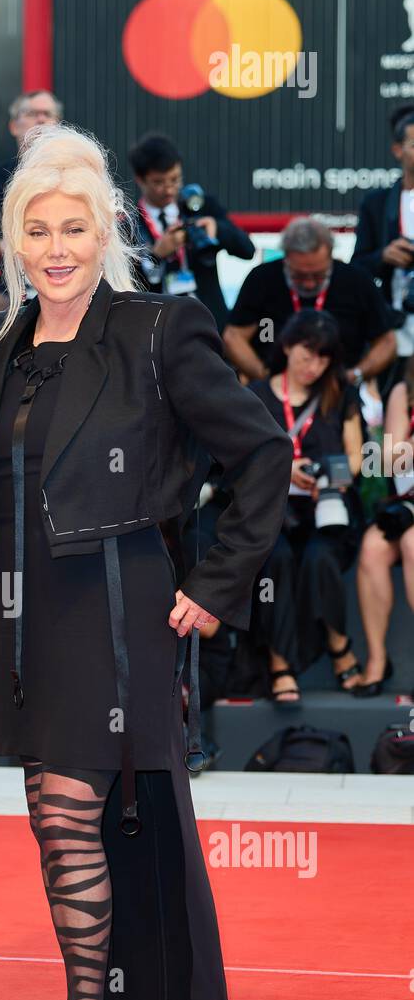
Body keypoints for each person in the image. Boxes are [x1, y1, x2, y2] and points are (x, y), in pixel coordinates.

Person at [0, 122, 292, 1000]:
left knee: (68, 822)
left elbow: (262, 448)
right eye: (36, 230)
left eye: (74, 228)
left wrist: (217, 583)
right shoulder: (2, 349)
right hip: (26, 625)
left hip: (116, 609)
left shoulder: (159, 328)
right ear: (13, 241)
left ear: (105, 234)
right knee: (69, 840)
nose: (55, 248)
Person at [247, 311, 366, 702]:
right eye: (306, 355)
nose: (313, 366)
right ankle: (279, 663)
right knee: (274, 559)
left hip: (327, 510)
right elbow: (240, 457)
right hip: (273, 515)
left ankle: (339, 645)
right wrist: (286, 469)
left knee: (320, 558)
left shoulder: (339, 393)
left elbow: (355, 456)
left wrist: (327, 478)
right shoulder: (258, 394)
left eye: (323, 358)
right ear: (286, 347)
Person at [224, 217, 396, 384]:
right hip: (277, 390)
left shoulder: (356, 280)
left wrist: (355, 375)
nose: (309, 283)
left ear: (331, 257)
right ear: (286, 259)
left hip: (338, 389)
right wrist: (263, 377)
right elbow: (234, 336)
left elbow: (387, 342)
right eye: (299, 275)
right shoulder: (262, 278)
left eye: (318, 275)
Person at [128, 130, 255, 332]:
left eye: (175, 179)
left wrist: (217, 230)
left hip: (209, 323)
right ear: (140, 180)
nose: (169, 189)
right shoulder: (129, 224)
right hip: (157, 329)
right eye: (159, 182)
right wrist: (156, 255)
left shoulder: (202, 206)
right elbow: (127, 289)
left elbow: (248, 250)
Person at [354, 355, 414, 696]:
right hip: (407, 501)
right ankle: (377, 661)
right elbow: (390, 458)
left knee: (412, 545)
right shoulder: (404, 390)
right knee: (373, 547)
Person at [351, 105, 414, 390]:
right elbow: (357, 266)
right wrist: (384, 256)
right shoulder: (377, 204)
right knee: (395, 409)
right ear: (398, 150)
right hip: (396, 325)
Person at [0, 90, 63, 209]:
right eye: (32, 113)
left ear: (58, 125)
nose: (41, 120)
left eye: (48, 114)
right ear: (14, 127)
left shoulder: (77, 173)